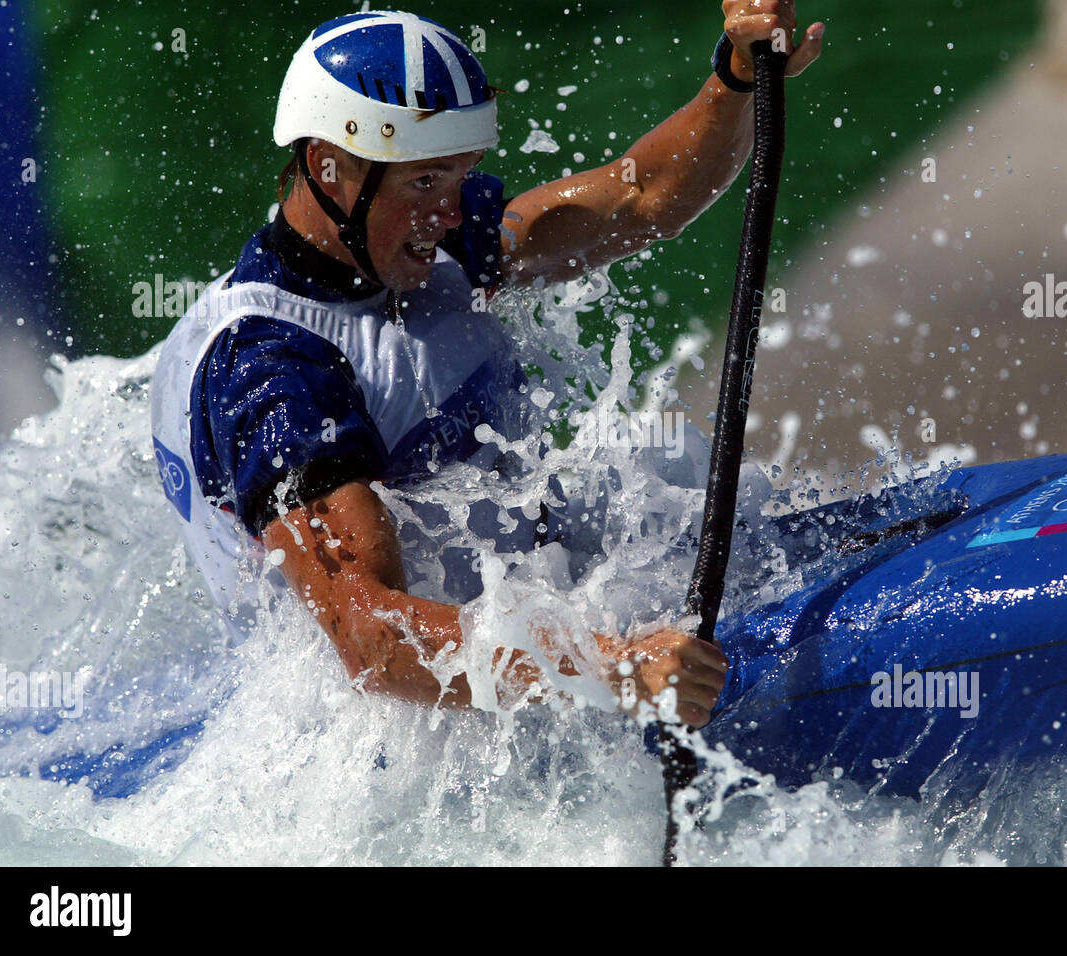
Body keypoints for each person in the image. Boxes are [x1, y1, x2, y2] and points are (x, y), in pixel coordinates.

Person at [150, 6, 824, 729]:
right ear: (328, 167)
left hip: (523, 641)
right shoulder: (273, 373)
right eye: (423, 183)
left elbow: (642, 200)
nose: (449, 213)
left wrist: (737, 78)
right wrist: (617, 670)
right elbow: (371, 642)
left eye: (458, 176)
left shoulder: (426, 237)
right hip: (392, 737)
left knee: (692, 487)